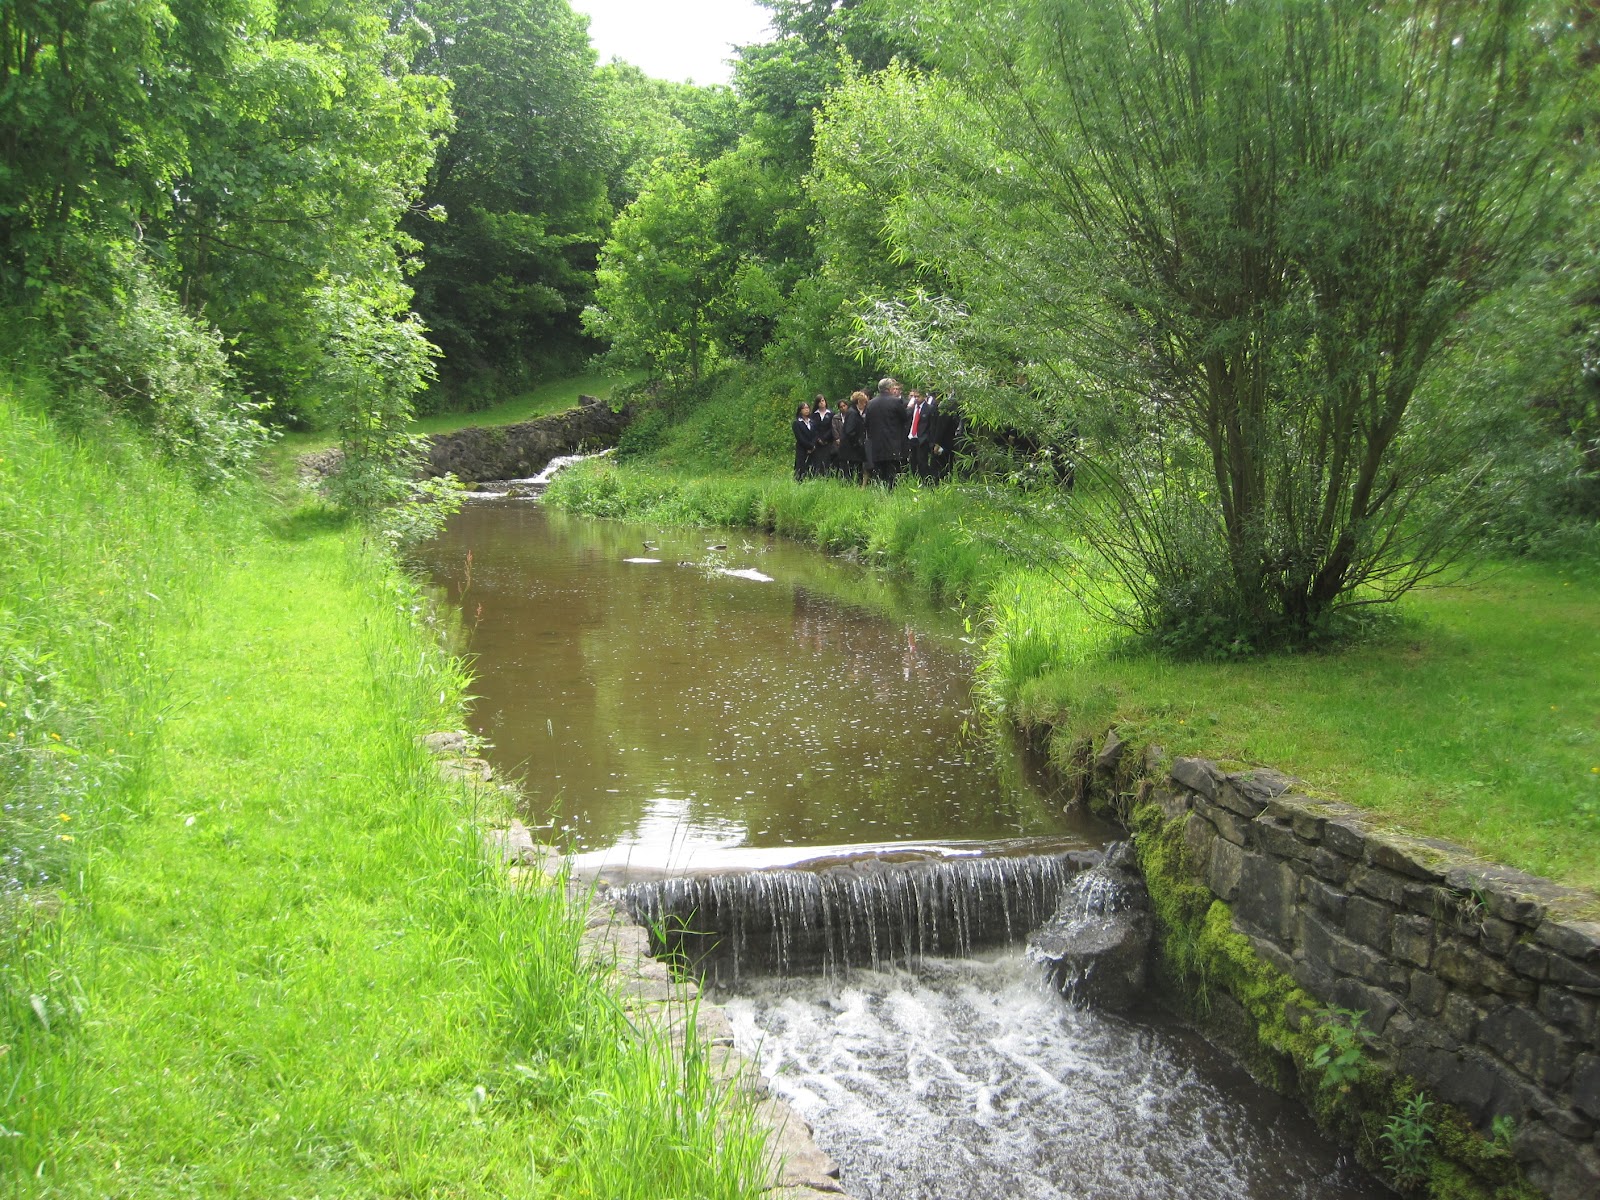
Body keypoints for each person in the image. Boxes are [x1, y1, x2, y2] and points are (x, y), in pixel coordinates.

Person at [865, 377, 908, 487]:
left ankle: (880, 494)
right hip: (893, 443)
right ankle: (891, 494)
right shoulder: (896, 401)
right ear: (889, 388)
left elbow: (867, 424)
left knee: (879, 472)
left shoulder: (871, 403)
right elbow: (905, 418)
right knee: (892, 473)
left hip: (876, 444)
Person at [841, 390, 869, 484]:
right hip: (852, 449)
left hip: (852, 449)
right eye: (864, 402)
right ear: (858, 402)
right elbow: (850, 431)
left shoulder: (853, 412)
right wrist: (858, 443)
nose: (865, 404)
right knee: (853, 472)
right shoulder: (853, 413)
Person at [811, 394, 837, 477]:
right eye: (819, 401)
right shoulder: (814, 415)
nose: (821, 403)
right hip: (817, 442)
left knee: (827, 460)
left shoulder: (831, 414)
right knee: (818, 460)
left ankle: (828, 476)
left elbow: (832, 427)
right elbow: (813, 428)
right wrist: (818, 439)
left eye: (823, 401)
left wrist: (825, 438)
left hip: (828, 441)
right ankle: (817, 476)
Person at [792, 401, 817, 481]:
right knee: (800, 467)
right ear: (800, 410)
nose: (806, 410)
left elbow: (815, 435)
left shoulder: (812, 422)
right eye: (804, 408)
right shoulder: (797, 423)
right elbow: (800, 438)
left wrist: (813, 445)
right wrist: (809, 446)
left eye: (807, 408)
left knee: (811, 467)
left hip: (813, 449)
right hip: (802, 449)